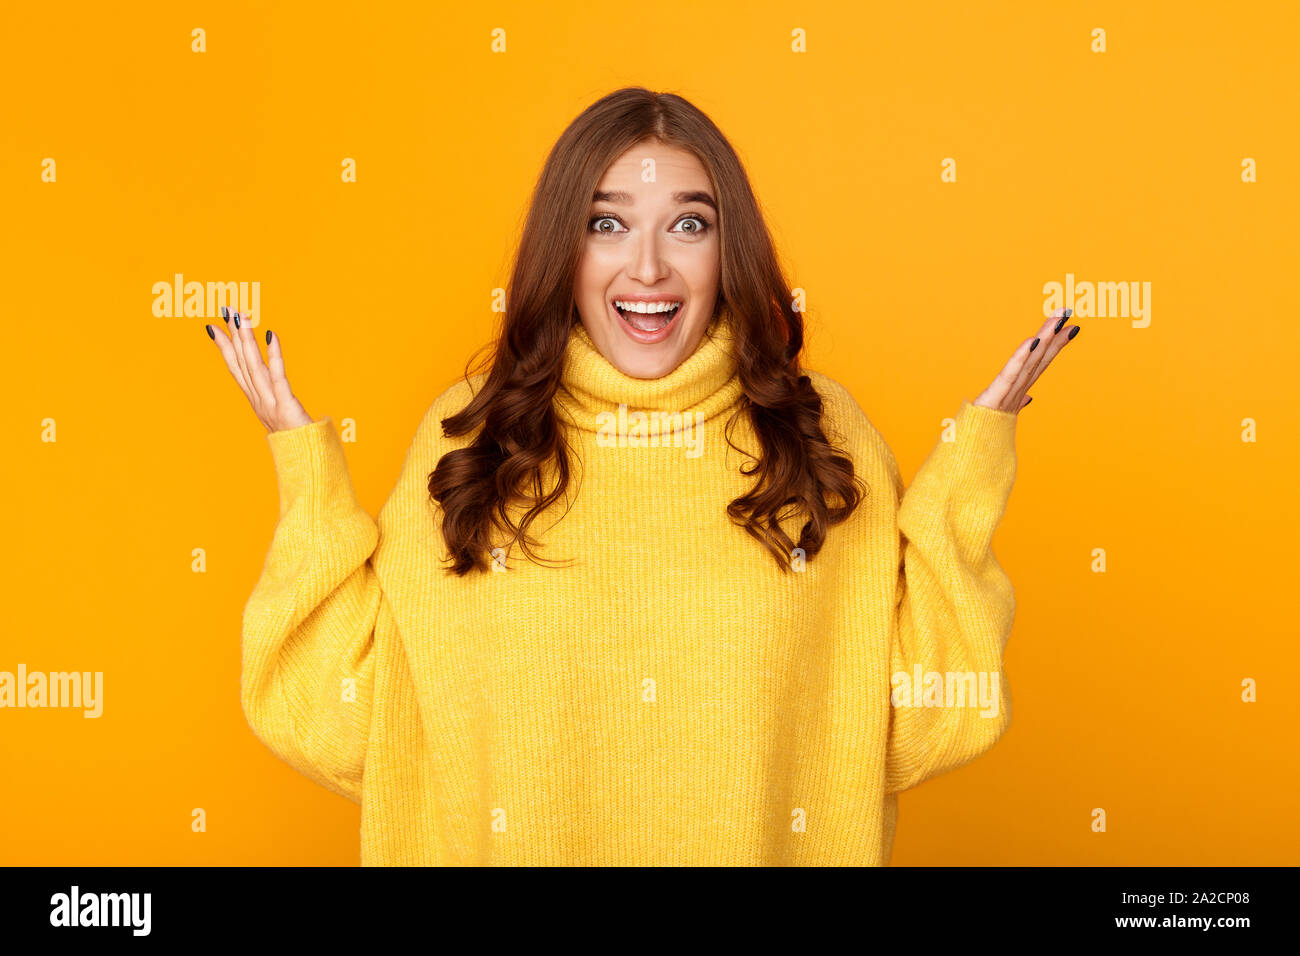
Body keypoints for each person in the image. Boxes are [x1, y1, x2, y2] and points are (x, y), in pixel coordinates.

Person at [205, 86, 1079, 866]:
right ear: (564, 247)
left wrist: (968, 473)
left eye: (689, 224)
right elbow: (358, 722)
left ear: (726, 250)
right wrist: (307, 476)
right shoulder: (469, 437)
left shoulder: (818, 435)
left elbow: (912, 723)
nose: (649, 267)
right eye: (607, 222)